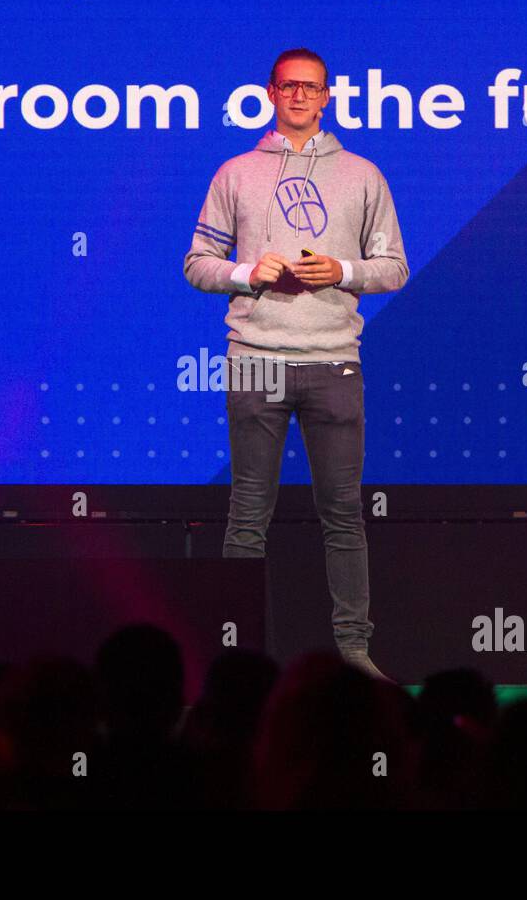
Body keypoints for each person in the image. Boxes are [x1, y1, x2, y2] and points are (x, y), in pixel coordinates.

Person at [183, 47, 408, 682]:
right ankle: (236, 657)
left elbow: (394, 266)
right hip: (255, 359)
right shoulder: (235, 172)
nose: (300, 97)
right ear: (271, 93)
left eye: (311, 88)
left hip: (334, 361)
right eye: (289, 87)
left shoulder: (362, 174)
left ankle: (355, 653)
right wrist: (246, 274)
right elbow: (197, 261)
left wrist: (342, 270)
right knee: (248, 511)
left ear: (329, 96)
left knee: (342, 511)